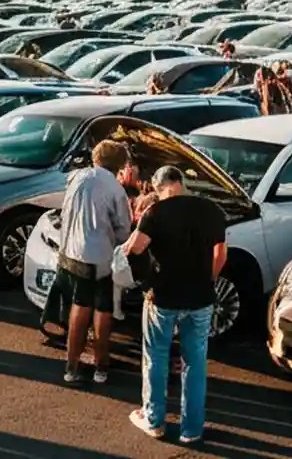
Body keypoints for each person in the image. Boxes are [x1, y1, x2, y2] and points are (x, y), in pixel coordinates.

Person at [124, 166, 227, 444]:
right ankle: (191, 429)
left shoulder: (155, 214)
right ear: (181, 182)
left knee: (156, 356)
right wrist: (210, 279)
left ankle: (154, 420)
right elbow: (220, 253)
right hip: (201, 298)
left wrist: (146, 282)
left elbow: (135, 248)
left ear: (158, 188)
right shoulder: (211, 210)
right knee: (195, 362)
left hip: (164, 297)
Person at [57, 140, 132, 385]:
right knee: (102, 309)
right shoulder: (115, 189)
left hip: (70, 252)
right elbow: (123, 229)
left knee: (78, 306)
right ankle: (101, 366)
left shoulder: (76, 178)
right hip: (100, 256)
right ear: (120, 164)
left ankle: (71, 366)